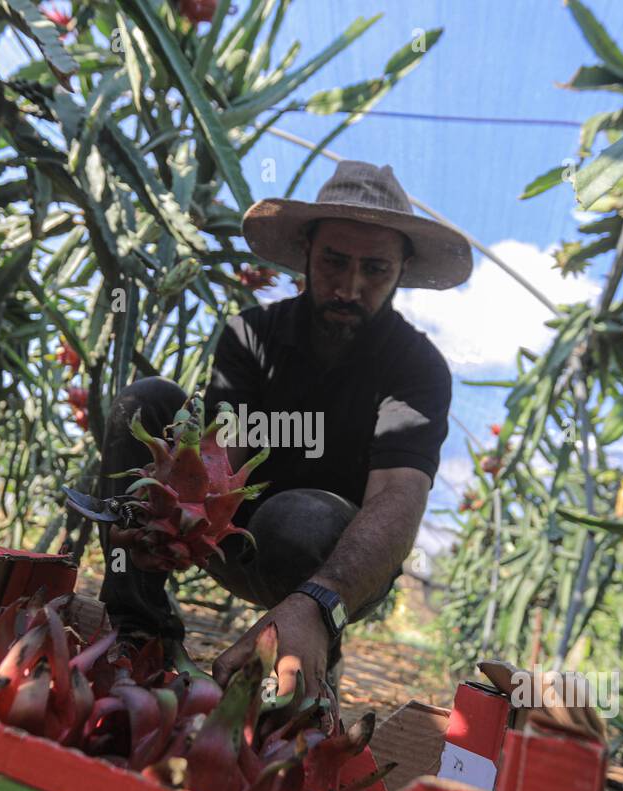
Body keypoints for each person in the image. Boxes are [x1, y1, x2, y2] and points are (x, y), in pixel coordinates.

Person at [97, 160, 472, 701]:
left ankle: (307, 662)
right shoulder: (250, 335)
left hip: (335, 566)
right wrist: (168, 520)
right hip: (230, 540)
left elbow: (398, 493)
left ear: (403, 269)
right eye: (334, 263)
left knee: (300, 518)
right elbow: (226, 450)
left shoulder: (416, 368)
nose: (349, 287)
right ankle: (137, 630)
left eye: (375, 270)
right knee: (148, 401)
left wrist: (319, 603)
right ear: (306, 254)